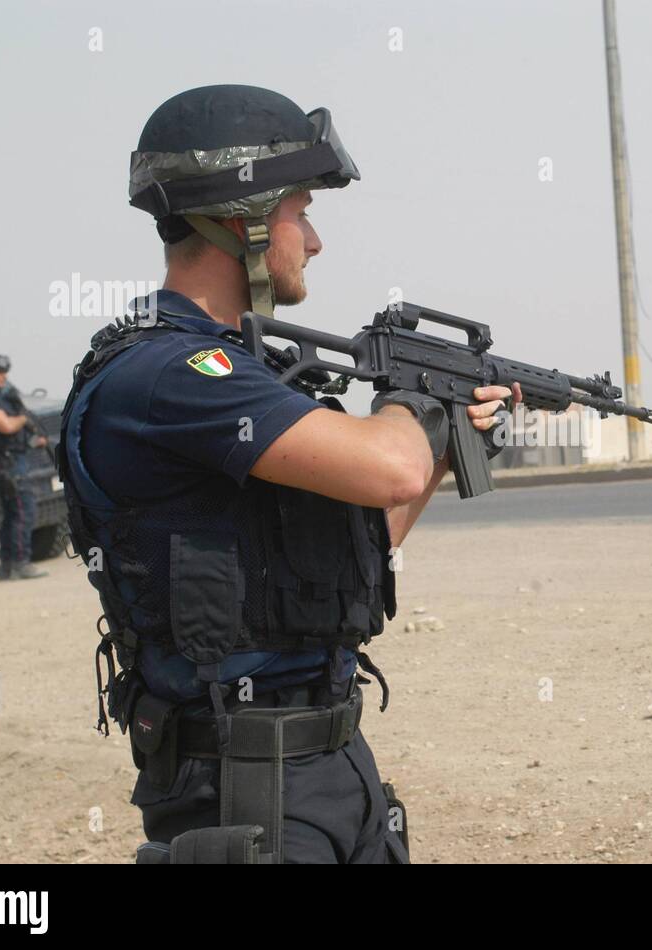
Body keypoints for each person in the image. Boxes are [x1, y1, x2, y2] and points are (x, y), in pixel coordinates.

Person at [58, 85, 518, 864]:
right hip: (242, 781)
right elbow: (390, 464)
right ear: (243, 216)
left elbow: (362, 535)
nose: (313, 239)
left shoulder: (241, 373)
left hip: (329, 761)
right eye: (300, 211)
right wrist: (419, 400)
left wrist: (447, 442)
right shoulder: (177, 372)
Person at [0, 354, 48, 580]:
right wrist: (22, 420)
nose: (3, 377)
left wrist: (34, 436)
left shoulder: (6, 399)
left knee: (13, 514)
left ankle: (7, 567)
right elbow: (5, 426)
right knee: (24, 512)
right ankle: (20, 563)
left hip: (15, 461)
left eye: (4, 373)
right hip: (5, 465)